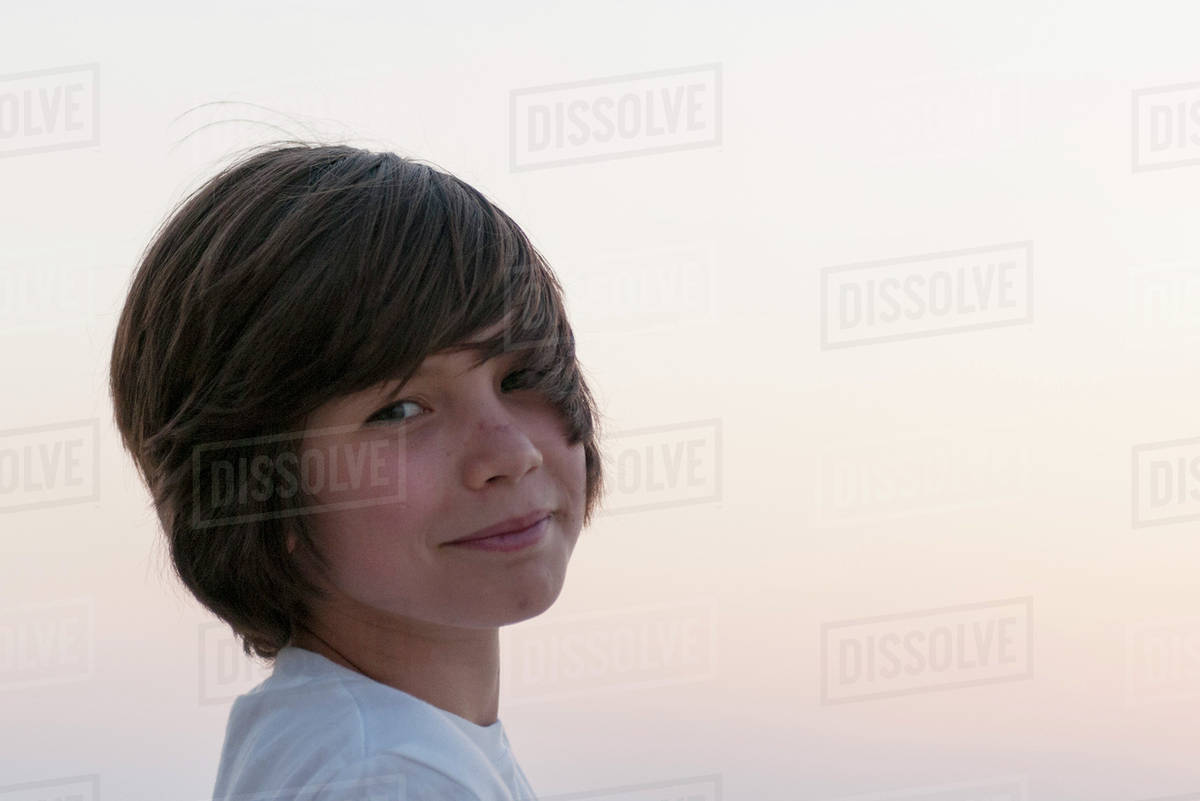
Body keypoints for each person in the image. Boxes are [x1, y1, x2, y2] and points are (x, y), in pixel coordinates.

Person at [108, 142, 606, 801]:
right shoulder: (392, 776)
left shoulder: (343, 740)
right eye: (400, 409)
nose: (509, 452)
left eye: (524, 375)